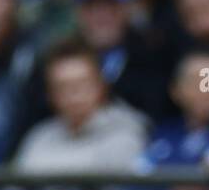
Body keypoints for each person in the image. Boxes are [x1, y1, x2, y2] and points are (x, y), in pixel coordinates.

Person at [12, 38, 149, 174]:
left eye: (82, 84)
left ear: (101, 86)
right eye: (63, 87)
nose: (74, 95)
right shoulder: (38, 138)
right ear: (50, 94)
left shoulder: (126, 134)